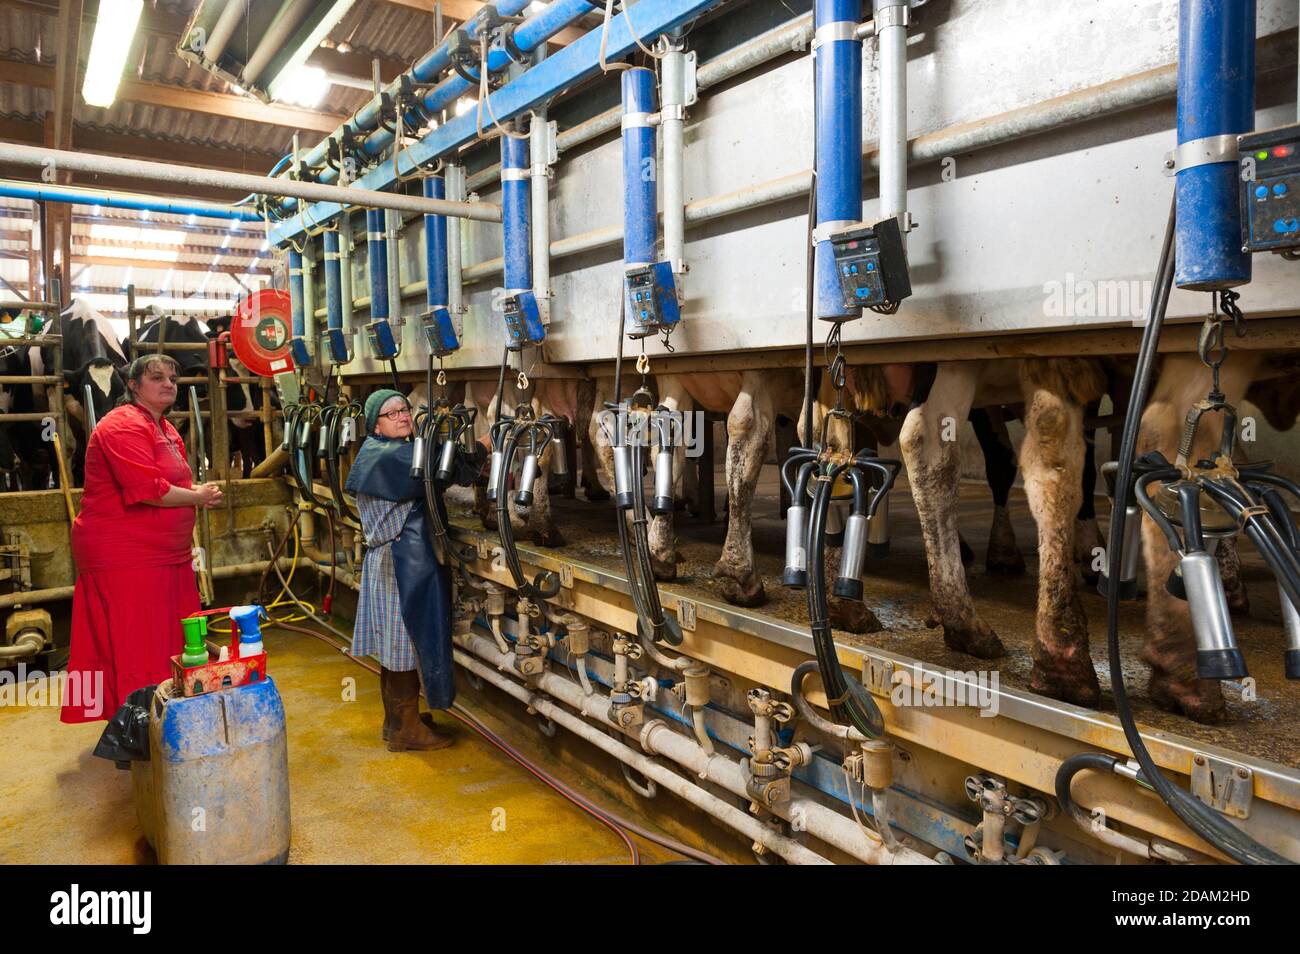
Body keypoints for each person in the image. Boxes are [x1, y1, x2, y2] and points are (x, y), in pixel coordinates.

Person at [61, 354, 224, 724]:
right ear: (133, 386)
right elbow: (147, 490)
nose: (169, 383)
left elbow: (172, 486)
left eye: (173, 378)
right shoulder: (121, 425)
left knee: (166, 642)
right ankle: (134, 729)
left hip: (166, 556)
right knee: (135, 644)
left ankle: (162, 720)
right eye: (157, 377)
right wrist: (196, 497)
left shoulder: (165, 429)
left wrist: (199, 492)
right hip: (127, 557)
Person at [345, 389, 456, 752]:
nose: (402, 416)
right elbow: (438, 471)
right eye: (391, 414)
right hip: (399, 564)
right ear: (375, 424)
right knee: (403, 646)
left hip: (388, 561)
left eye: (405, 409)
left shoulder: (378, 451)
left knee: (395, 647)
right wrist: (483, 446)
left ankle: (396, 721)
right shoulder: (390, 457)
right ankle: (406, 730)